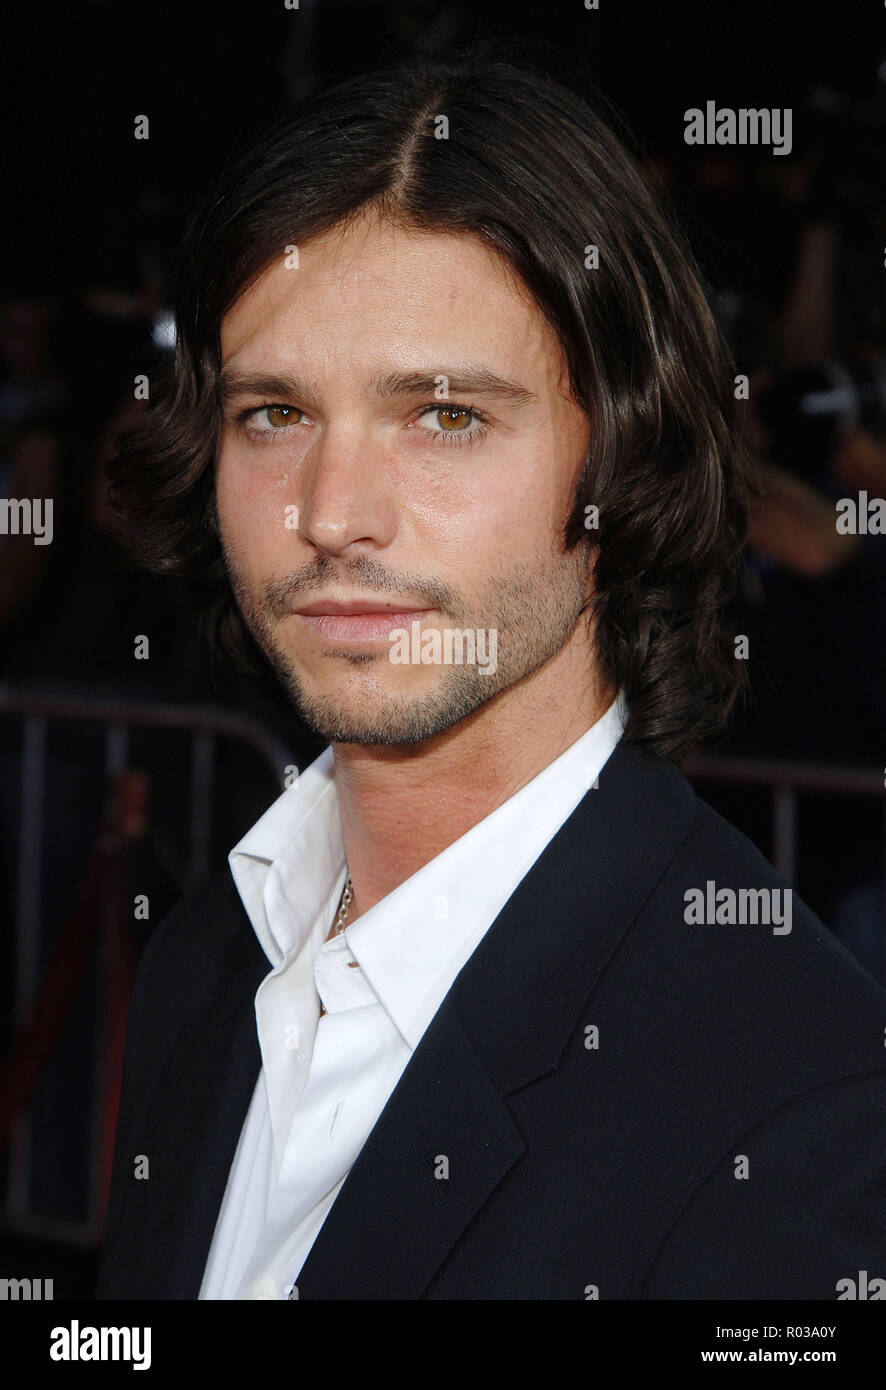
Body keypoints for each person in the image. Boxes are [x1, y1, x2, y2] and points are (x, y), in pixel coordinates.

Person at [96, 39, 886, 1300]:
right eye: (274, 414)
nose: (332, 511)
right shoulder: (208, 958)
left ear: (619, 465)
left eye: (445, 415)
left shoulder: (801, 1112)